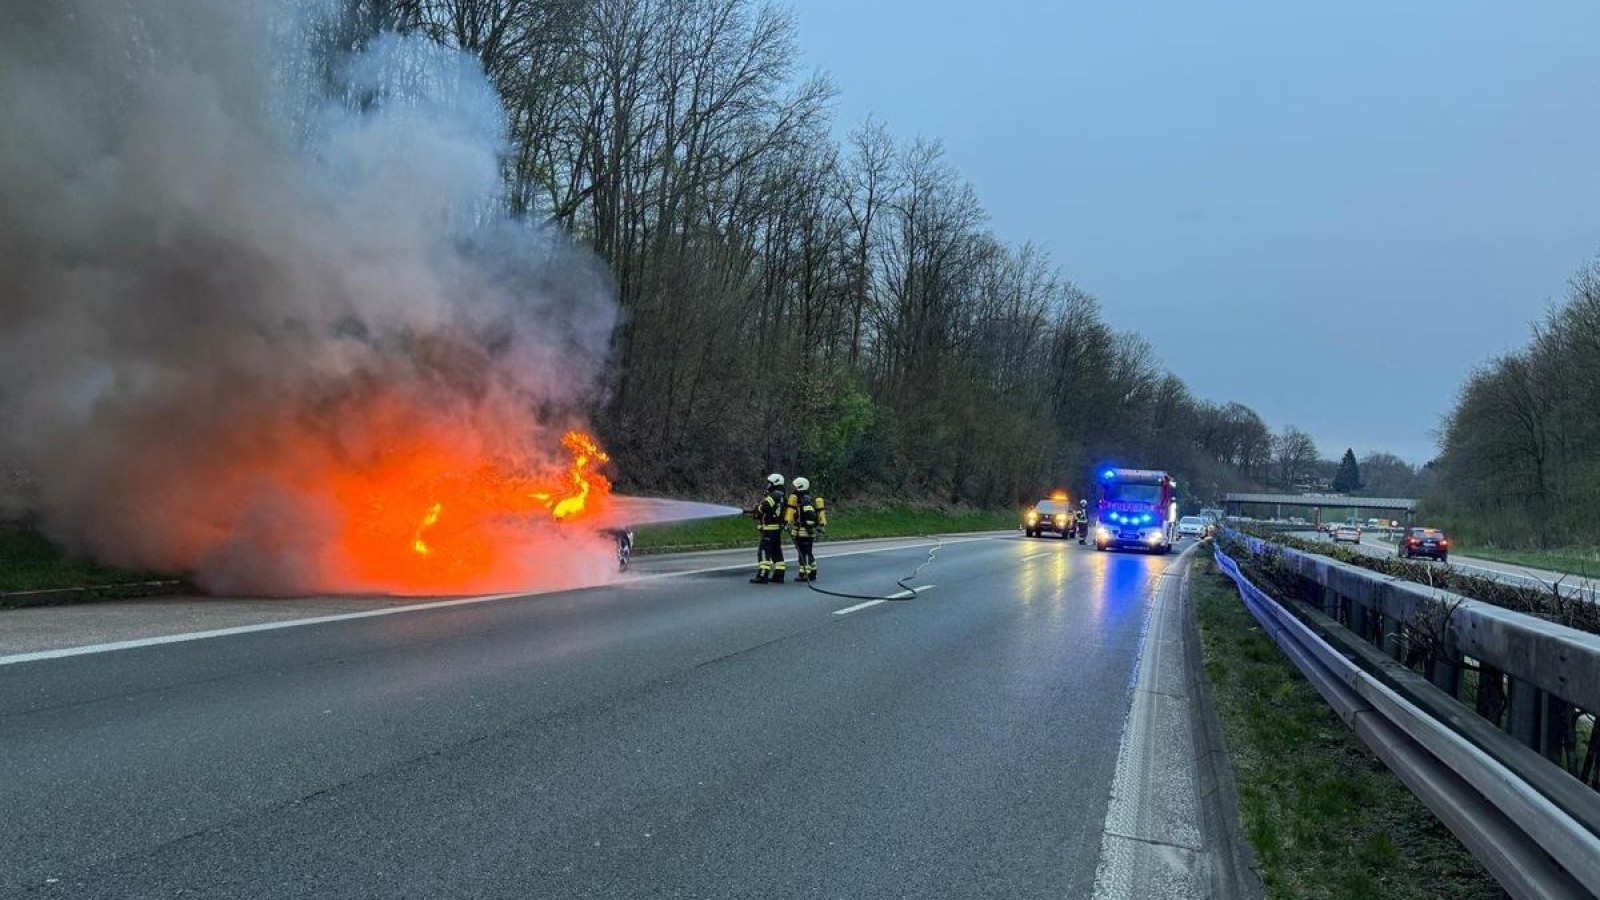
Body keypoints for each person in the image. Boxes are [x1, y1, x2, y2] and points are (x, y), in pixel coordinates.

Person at [785, 476, 827, 582]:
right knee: (806, 552)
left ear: (800, 487)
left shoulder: (804, 500)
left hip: (804, 532)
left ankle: (805, 574)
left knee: (804, 553)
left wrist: (809, 528)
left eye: (795, 487)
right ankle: (811, 572)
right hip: (802, 531)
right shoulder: (803, 498)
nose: (793, 489)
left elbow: (809, 515)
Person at [750, 473, 788, 583]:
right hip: (777, 529)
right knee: (776, 552)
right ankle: (779, 575)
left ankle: (762, 575)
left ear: (774, 483)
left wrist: (758, 508)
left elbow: (765, 507)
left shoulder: (774, 496)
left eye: (769, 483)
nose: (768, 485)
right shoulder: (783, 496)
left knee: (763, 550)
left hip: (769, 529)